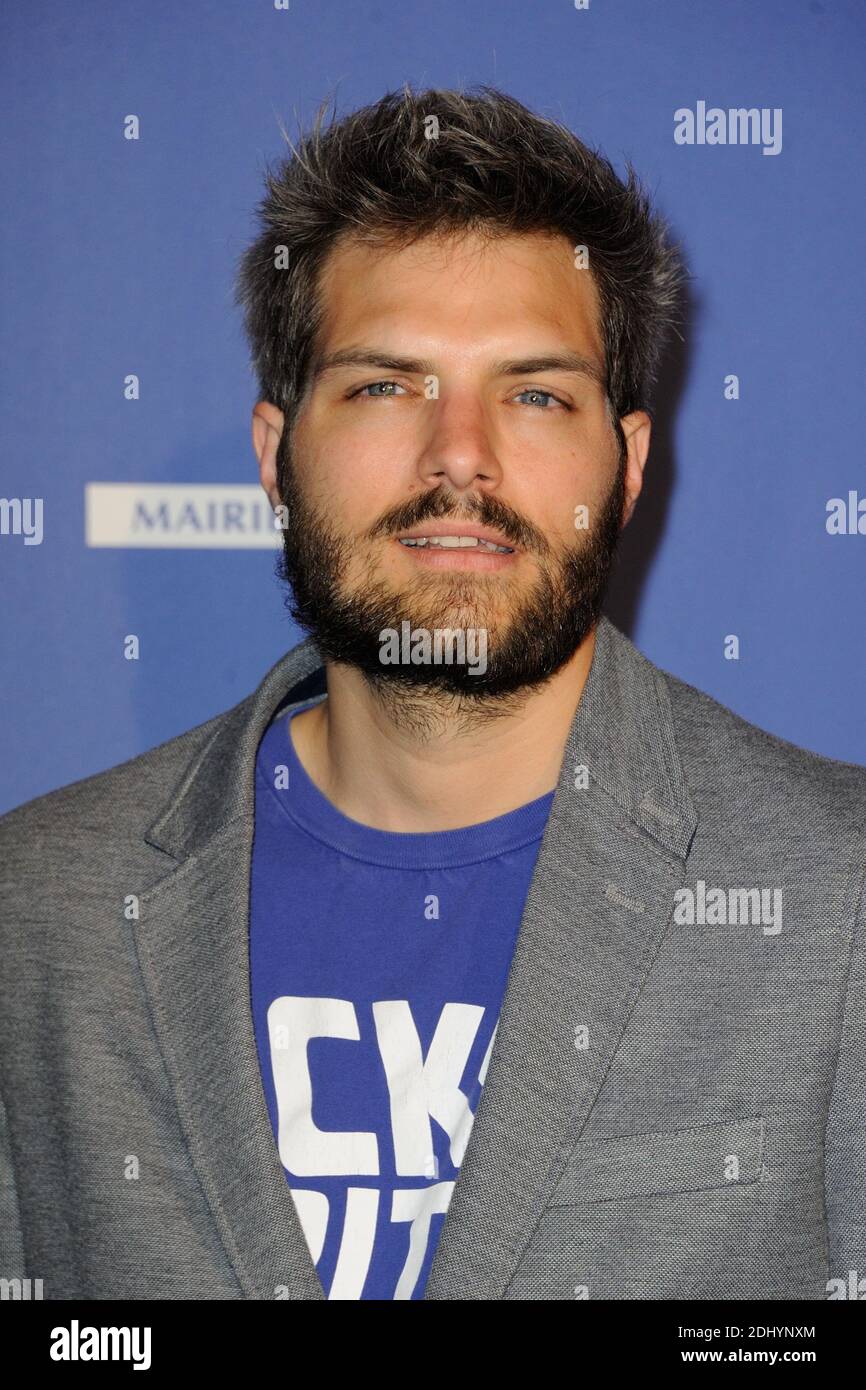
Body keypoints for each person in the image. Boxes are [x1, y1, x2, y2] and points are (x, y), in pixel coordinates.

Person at [1, 85, 863, 1303]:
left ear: (623, 469)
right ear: (273, 455)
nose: (459, 454)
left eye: (532, 394)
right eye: (384, 386)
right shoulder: (39, 912)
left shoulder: (838, 906)